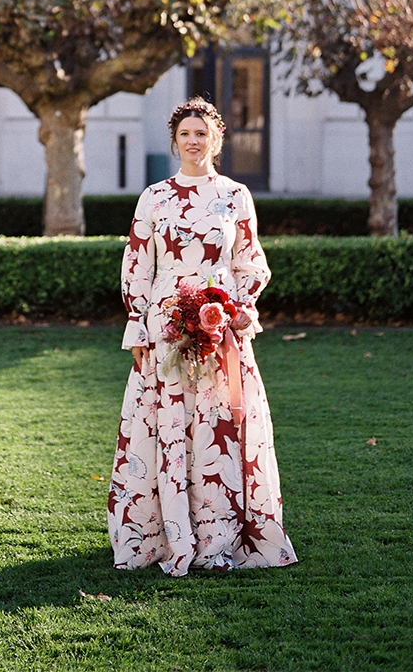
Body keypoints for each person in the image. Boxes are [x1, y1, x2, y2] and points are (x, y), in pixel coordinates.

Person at [107, 96, 297, 576]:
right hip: (165, 329)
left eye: (202, 134)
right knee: (166, 426)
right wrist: (139, 326)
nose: (194, 142)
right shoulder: (153, 196)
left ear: (216, 140)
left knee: (217, 431)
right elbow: (137, 265)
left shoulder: (235, 195)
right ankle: (164, 535)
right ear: (174, 142)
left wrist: (234, 308)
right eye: (186, 134)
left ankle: (217, 534)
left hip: (220, 327)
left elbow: (251, 262)